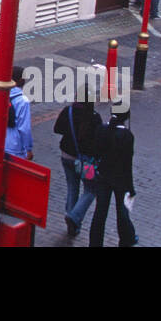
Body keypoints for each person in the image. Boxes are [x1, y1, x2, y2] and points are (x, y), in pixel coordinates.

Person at [53, 95, 101, 238]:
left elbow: (57, 129)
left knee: (72, 187)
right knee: (91, 190)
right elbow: (98, 141)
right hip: (86, 162)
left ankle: (71, 218)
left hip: (66, 156)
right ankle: (74, 217)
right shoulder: (94, 117)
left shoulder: (68, 111)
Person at [88, 110, 138, 248]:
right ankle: (126, 240)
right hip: (120, 180)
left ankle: (95, 243)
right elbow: (128, 164)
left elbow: (96, 152)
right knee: (122, 213)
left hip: (103, 175)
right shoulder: (127, 136)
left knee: (100, 212)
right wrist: (131, 187)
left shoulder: (102, 129)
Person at [4, 66, 32, 160]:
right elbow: (24, 128)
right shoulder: (23, 101)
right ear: (20, 80)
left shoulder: (1, 93)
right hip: (14, 147)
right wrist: (28, 149)